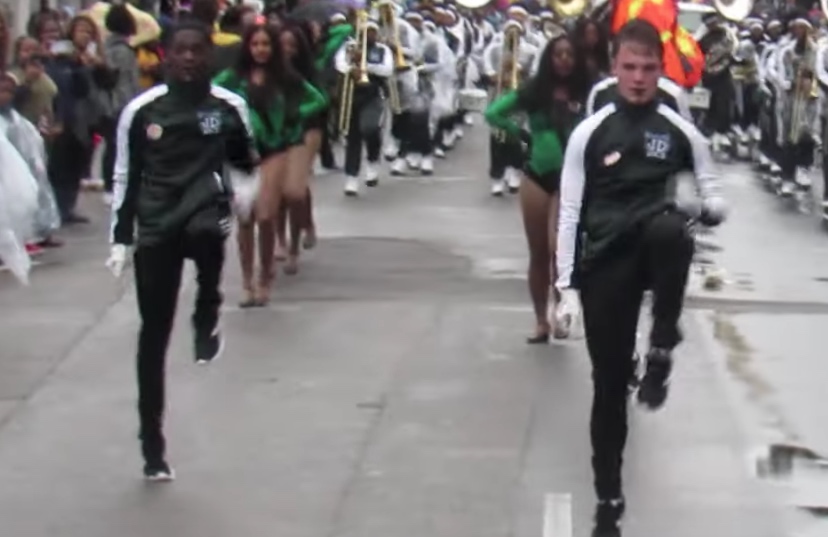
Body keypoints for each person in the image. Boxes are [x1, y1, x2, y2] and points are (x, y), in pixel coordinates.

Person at [554, 20, 727, 536]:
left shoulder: (677, 128)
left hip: (653, 246)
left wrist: (707, 207)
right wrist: (566, 289)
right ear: (615, 67)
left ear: (659, 70)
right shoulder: (591, 131)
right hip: (604, 260)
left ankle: (661, 346)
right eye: (629, 67)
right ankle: (608, 491)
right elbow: (570, 211)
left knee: (672, 231)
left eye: (648, 68)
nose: (638, 78)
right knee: (607, 386)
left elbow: (712, 187)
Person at [106, 20, 258, 481]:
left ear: (210, 55)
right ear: (168, 56)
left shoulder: (228, 107)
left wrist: (245, 195)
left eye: (198, 50)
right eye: (181, 50)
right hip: (156, 222)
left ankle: (207, 311)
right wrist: (120, 237)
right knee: (153, 334)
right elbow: (125, 174)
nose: (189, 58)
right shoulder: (142, 111)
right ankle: (151, 443)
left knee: (208, 231)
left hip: (205, 206)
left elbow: (244, 163)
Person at [484, 33, 589, 343]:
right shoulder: (535, 90)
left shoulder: (586, 91)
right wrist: (519, 134)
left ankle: (560, 313)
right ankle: (541, 320)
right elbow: (493, 113)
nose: (564, 60)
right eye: (558, 54)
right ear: (549, 58)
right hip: (537, 176)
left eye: (570, 54)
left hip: (571, 179)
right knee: (539, 253)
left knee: (560, 252)